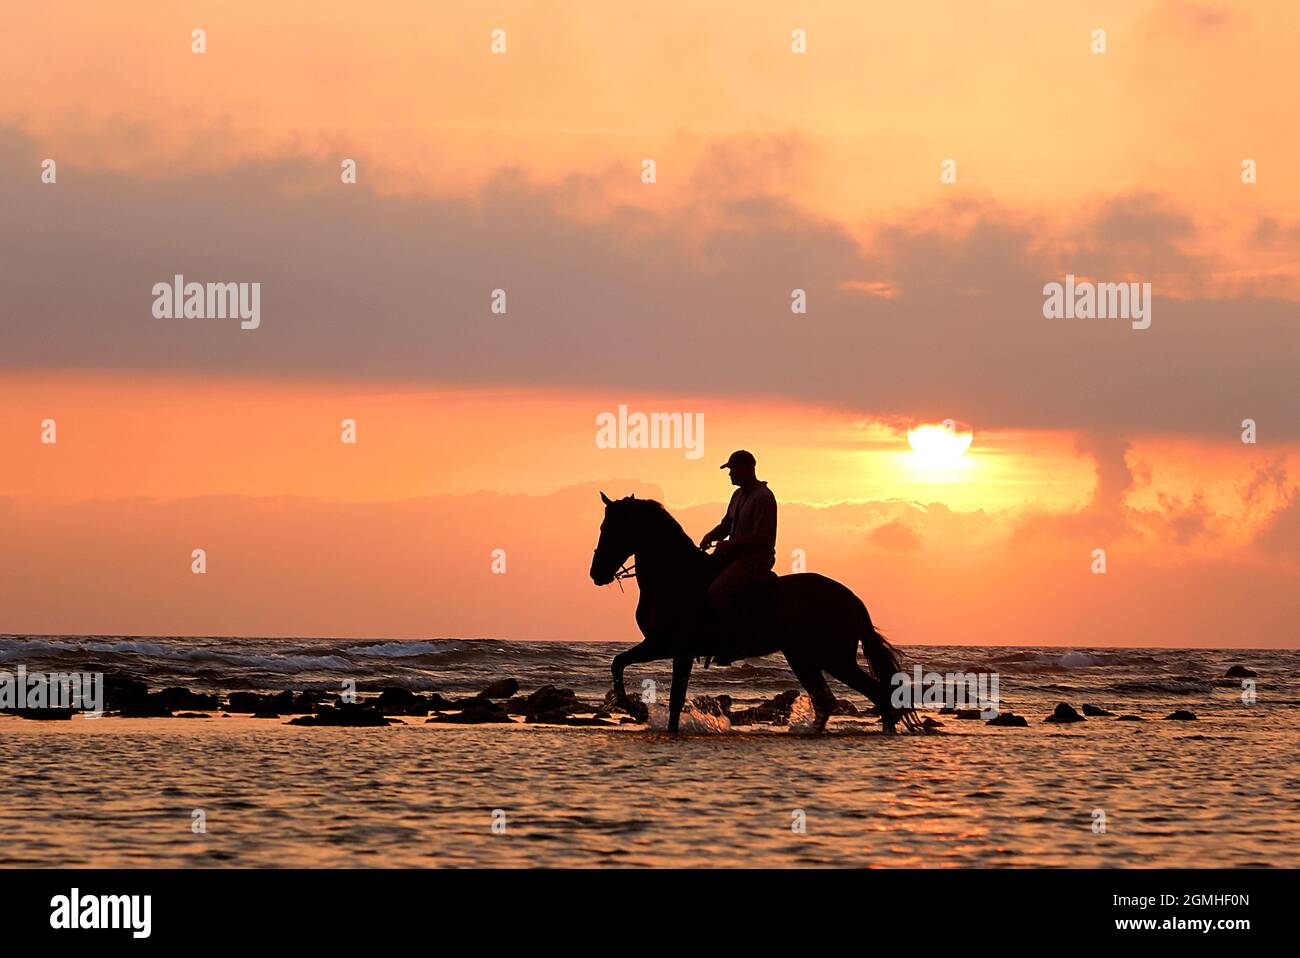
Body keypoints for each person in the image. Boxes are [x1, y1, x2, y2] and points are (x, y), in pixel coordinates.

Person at [698, 450, 777, 664]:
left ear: (747, 469)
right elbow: (726, 525)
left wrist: (729, 543)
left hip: (754, 559)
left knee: (717, 591)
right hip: (733, 556)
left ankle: (736, 642)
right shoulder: (738, 495)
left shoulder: (763, 497)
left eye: (733, 469)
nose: (730, 474)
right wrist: (711, 535)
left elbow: (762, 536)